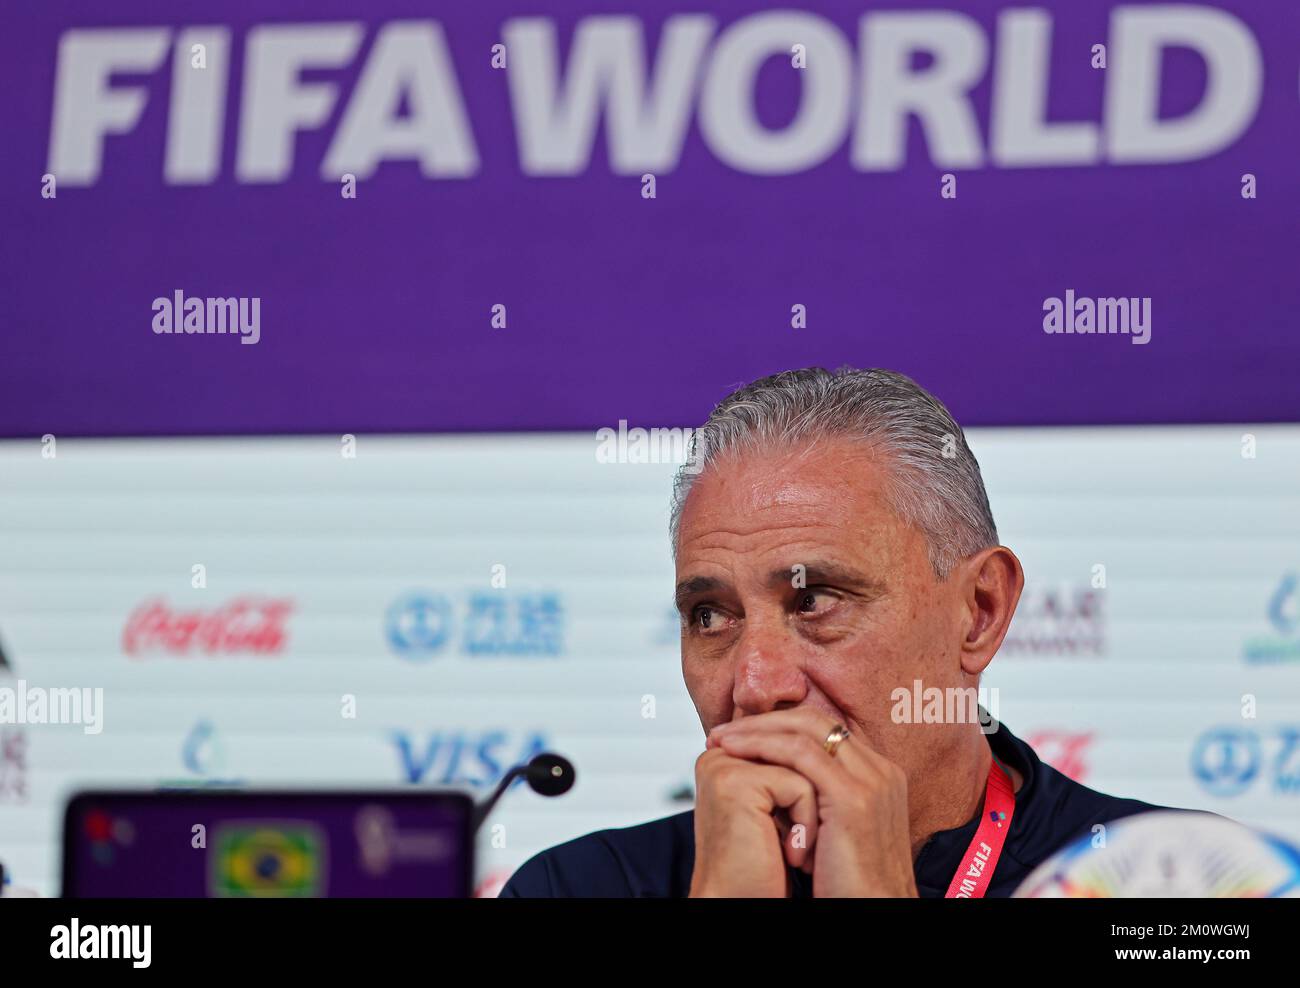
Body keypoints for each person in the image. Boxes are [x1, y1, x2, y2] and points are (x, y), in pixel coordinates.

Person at [501, 367, 1156, 897]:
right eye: (710, 616)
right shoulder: (574, 887)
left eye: (814, 601)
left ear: (978, 611)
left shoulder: (1186, 882)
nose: (756, 685)